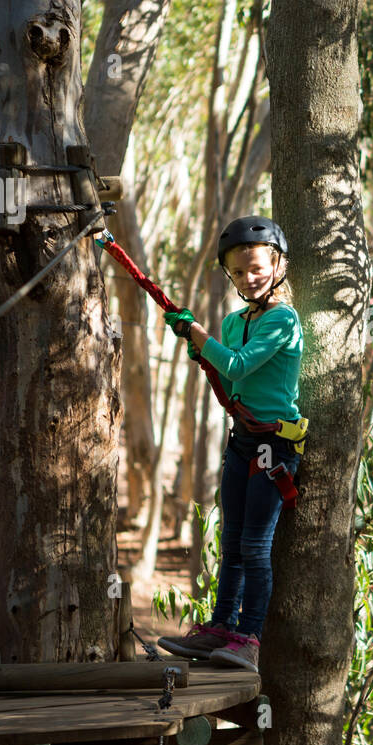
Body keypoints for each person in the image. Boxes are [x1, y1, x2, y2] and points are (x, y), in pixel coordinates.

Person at [155, 216, 306, 672]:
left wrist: (201, 338)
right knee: (233, 541)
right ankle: (221, 627)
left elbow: (238, 367)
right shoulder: (234, 319)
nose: (248, 278)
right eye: (238, 273)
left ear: (278, 264)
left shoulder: (282, 319)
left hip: (274, 448)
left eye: (256, 268)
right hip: (242, 443)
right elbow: (228, 372)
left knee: (257, 546)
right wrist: (201, 348)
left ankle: (250, 638)